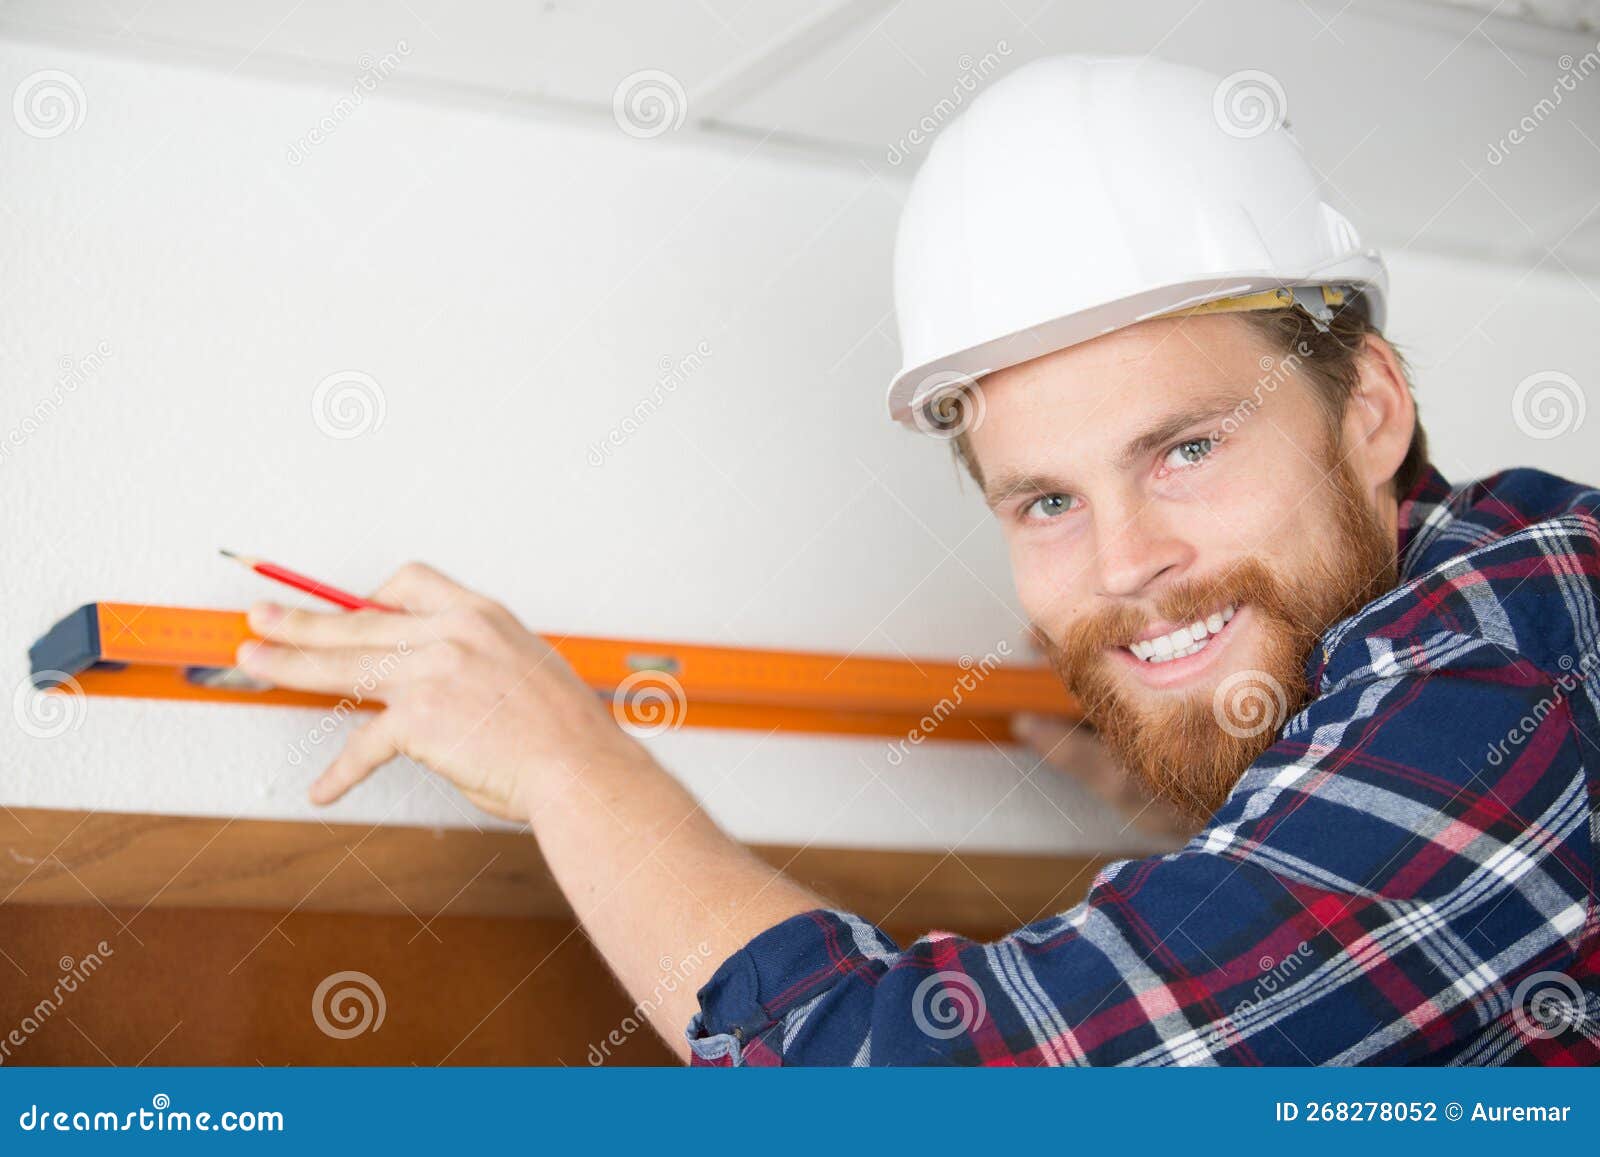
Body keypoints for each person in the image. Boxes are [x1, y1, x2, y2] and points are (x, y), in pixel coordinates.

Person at [237, 57, 1599, 1065]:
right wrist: (1245, 814)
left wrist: (568, 765)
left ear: (1369, 407)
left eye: (1187, 448)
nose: (1128, 562)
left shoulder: (1516, 646)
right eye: (1046, 501)